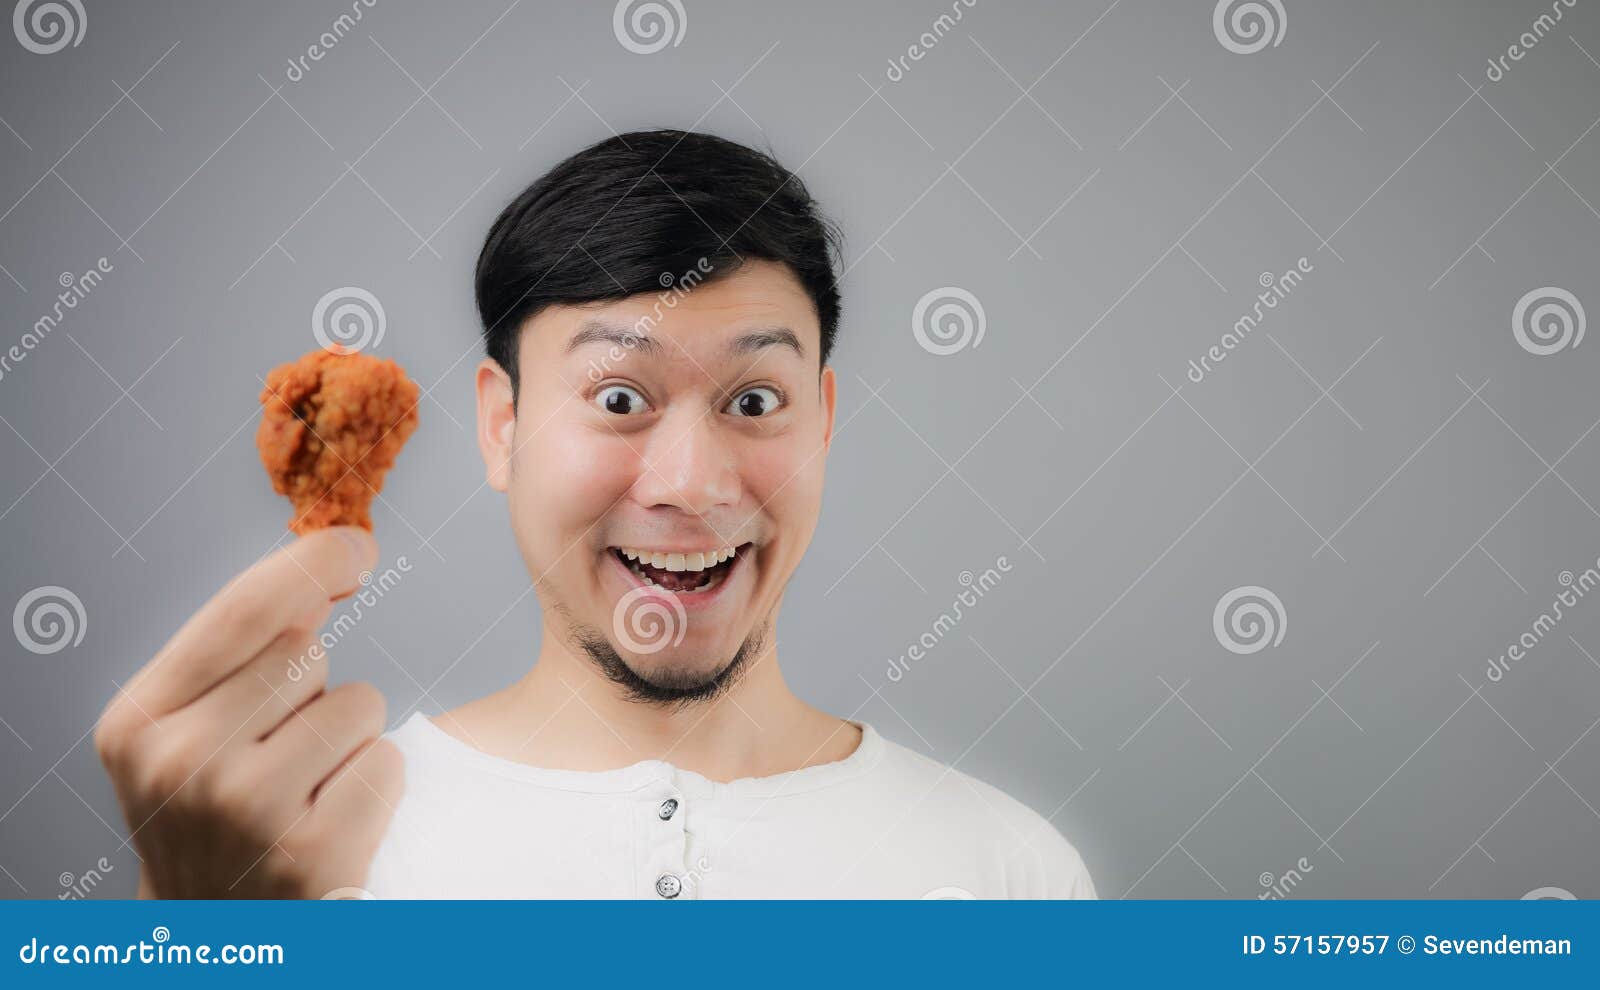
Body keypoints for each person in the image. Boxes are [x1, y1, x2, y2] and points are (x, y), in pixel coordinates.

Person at [95, 130, 1095, 899]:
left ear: (822, 422)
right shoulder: (300, 856)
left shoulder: (1006, 872)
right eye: (619, 398)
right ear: (503, 425)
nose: (692, 484)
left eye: (754, 402)